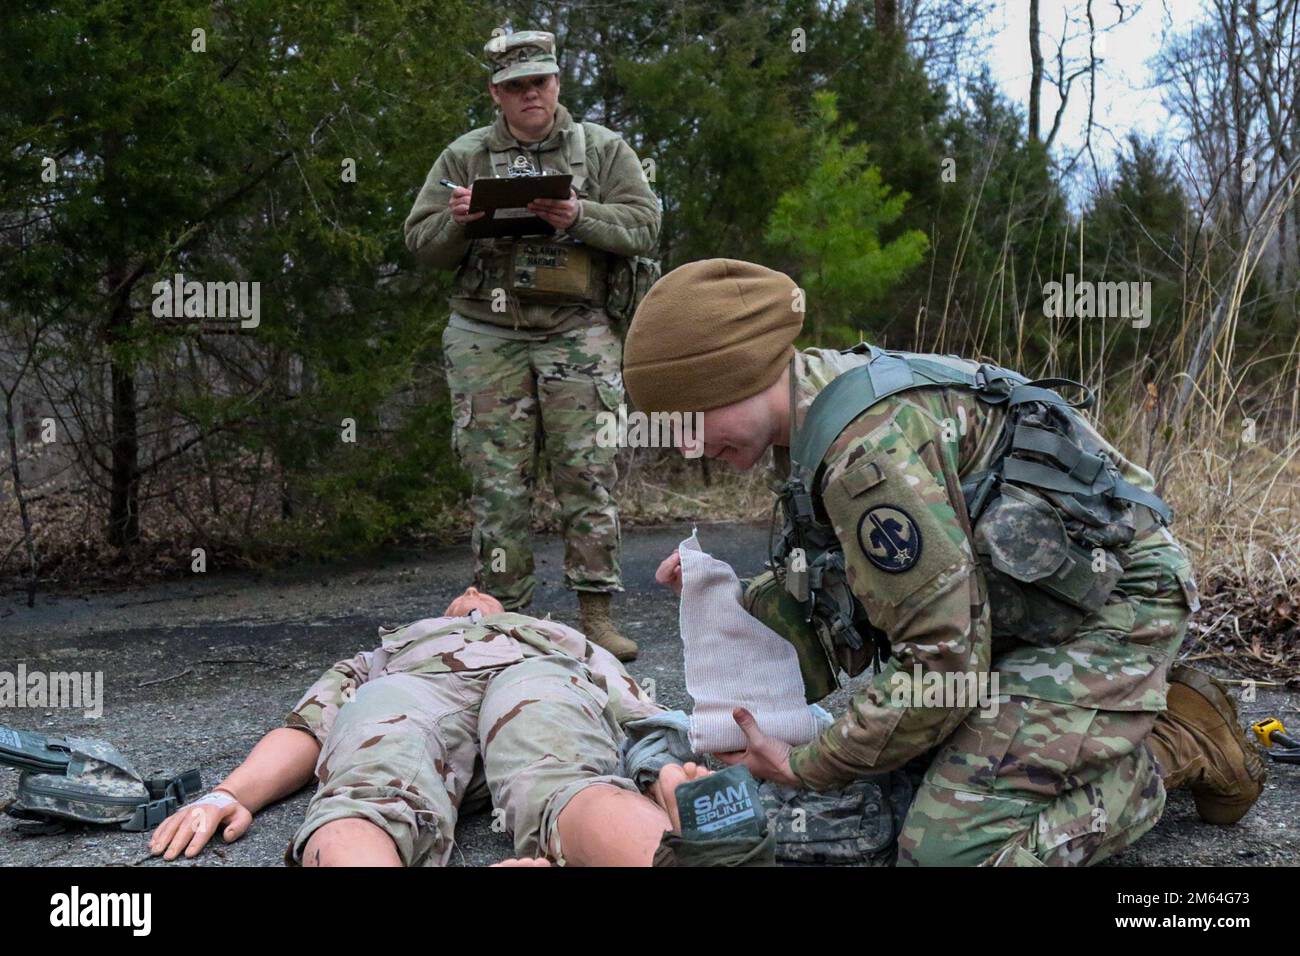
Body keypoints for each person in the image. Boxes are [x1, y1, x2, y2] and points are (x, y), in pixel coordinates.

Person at [627, 257, 1266, 866]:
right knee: (911, 775)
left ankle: (1171, 746)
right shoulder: (818, 400)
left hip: (1117, 606)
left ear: (737, 373)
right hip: (1034, 610)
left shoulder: (865, 453)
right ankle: (1088, 730)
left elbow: (942, 667)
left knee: (945, 850)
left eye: (692, 419)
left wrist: (807, 764)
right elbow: (859, 577)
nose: (689, 449)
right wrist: (725, 593)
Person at [403, 29, 662, 661]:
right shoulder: (465, 157)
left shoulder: (601, 150)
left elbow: (646, 225)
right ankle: (506, 620)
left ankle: (595, 617)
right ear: (496, 94)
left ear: (556, 83)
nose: (530, 96)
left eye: (539, 82)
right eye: (516, 86)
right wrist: (458, 221)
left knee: (587, 473)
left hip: (577, 330)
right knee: (496, 482)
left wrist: (581, 218)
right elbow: (420, 244)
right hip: (485, 334)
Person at [148, 587, 703, 866]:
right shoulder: (391, 649)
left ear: (497, 608)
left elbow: (638, 717)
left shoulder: (549, 635)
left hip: (531, 675)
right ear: (445, 612)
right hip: (418, 688)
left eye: (482, 594)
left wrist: (663, 774)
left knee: (566, 780)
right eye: (462, 596)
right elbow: (312, 725)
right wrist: (227, 795)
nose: (472, 594)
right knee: (367, 790)